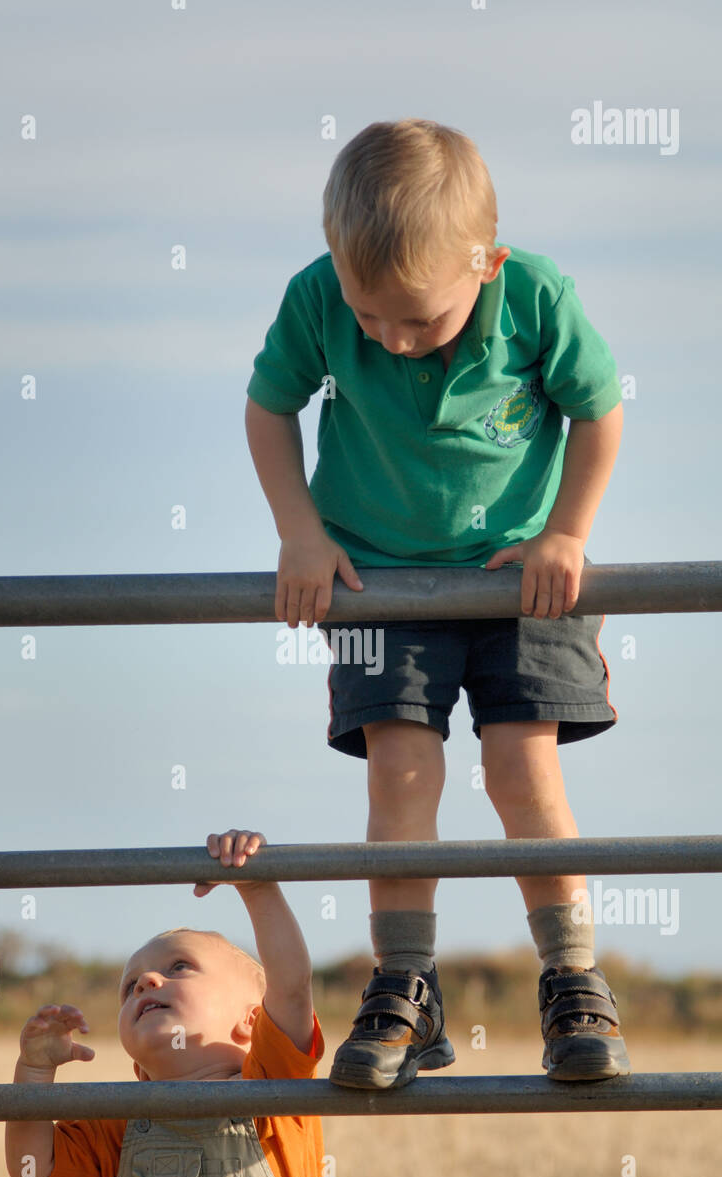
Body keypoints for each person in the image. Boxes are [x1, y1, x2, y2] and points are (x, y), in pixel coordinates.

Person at [244, 118, 631, 1090]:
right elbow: (267, 406)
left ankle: (572, 981)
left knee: (520, 769)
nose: (392, 339)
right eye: (371, 317)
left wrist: (566, 534)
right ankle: (404, 986)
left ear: (485, 260)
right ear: (336, 266)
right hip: (380, 578)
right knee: (401, 781)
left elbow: (597, 410)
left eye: (419, 320)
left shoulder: (534, 294)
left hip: (518, 576)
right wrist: (300, 530)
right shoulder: (316, 298)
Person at [5, 828, 326, 1177]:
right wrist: (33, 1074)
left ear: (253, 1020)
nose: (145, 982)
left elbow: (293, 986)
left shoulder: (275, 1090)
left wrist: (256, 887)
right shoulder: (123, 1121)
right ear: (138, 1068)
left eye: (179, 967)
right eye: (130, 984)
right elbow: (32, 1169)